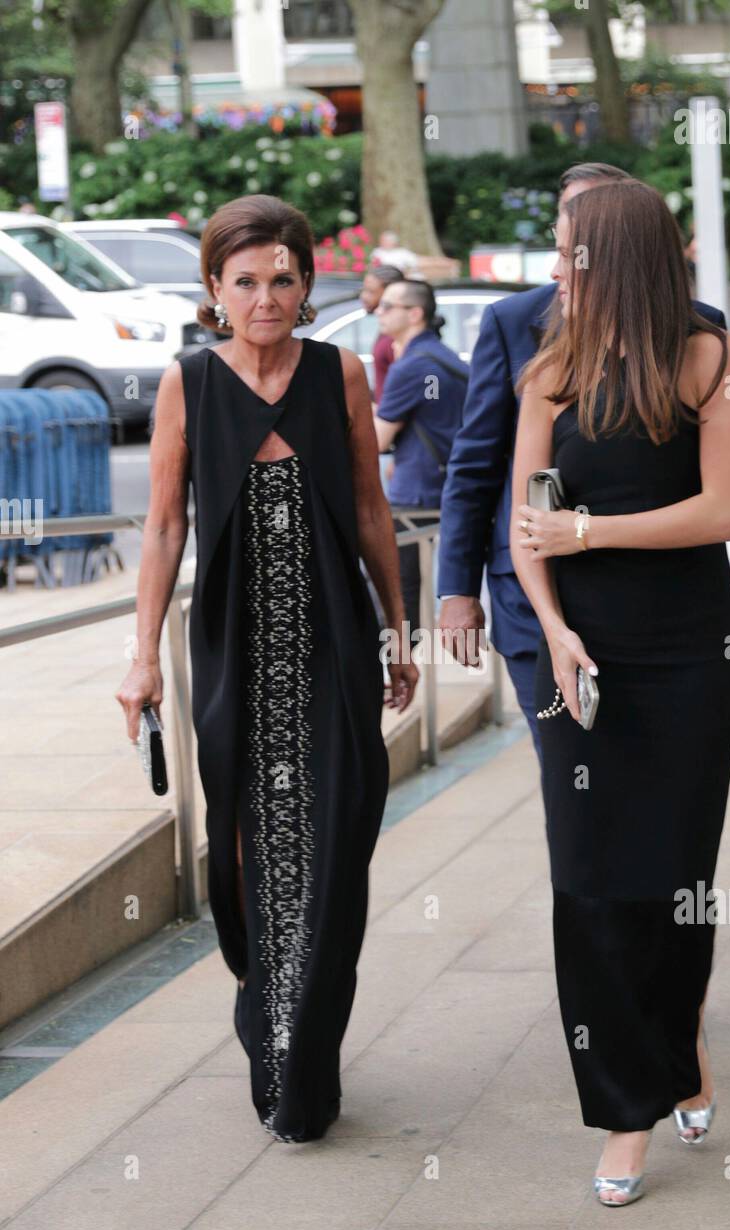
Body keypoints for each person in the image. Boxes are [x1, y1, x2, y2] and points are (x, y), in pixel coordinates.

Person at [115, 195, 419, 1144]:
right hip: (235, 647)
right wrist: (141, 659)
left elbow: (372, 510)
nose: (266, 297)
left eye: (283, 278)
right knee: (250, 848)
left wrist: (398, 630)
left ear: (305, 283)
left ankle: (305, 1058)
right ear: (214, 290)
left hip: (331, 641)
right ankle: (265, 1012)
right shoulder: (188, 386)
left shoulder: (341, 376)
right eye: (245, 281)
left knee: (332, 848)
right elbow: (165, 527)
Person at [511, 179, 730, 1206]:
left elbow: (723, 509)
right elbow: (529, 525)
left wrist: (591, 532)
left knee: (671, 878)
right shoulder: (551, 369)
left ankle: (680, 1039)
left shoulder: (705, 357)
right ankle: (623, 1108)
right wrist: (555, 628)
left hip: (692, 656)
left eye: (571, 251)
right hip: (582, 659)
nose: (557, 268)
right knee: (588, 882)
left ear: (620, 255)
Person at [436, 163, 728, 759]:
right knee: (574, 788)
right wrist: (456, 591)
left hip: (667, 607)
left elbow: (713, 494)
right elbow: (476, 466)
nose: (559, 264)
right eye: (562, 238)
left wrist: (592, 532)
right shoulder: (516, 324)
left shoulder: (703, 338)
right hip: (532, 603)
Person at [373, 279, 468, 644]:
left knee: (399, 587)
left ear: (414, 314)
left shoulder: (412, 366)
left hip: (416, 493)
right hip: (446, 483)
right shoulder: (442, 356)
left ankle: (399, 667)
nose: (379, 313)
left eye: (387, 306)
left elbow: (378, 439)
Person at [359, 264, 406, 403]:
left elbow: (402, 389)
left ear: (390, 294)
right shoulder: (387, 331)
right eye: (364, 290)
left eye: (370, 291)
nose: (363, 296)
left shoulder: (398, 336)